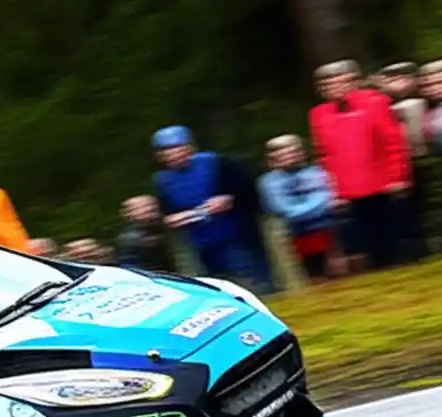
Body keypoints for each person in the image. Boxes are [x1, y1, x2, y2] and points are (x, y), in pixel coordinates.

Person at [309, 59, 412, 270]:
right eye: (325, 84)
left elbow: (393, 142)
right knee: (366, 241)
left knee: (394, 237)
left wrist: (398, 177)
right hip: (350, 189)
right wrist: (334, 190)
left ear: (352, 81)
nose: (331, 87)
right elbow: (325, 155)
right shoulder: (319, 113)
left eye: (337, 81)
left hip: (382, 182)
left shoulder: (375, 101)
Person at [151, 125, 275, 292]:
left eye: (179, 147)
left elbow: (250, 194)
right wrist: (172, 219)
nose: (174, 153)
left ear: (190, 147)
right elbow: (166, 214)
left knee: (257, 284)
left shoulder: (219, 163)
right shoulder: (162, 180)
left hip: (239, 238)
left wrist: (230, 200)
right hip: (202, 245)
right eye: (168, 150)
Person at [258, 135, 343, 283]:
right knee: (316, 280)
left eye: (292, 151)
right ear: (273, 157)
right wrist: (323, 205)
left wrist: (321, 203)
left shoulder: (319, 171)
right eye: (281, 153)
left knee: (343, 272)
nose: (289, 156)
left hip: (332, 230)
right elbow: (285, 210)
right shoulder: (269, 182)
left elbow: (332, 193)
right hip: (299, 237)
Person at [381, 61, 430, 259]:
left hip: (424, 159)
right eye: (392, 80)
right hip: (400, 164)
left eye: (404, 78)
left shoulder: (426, 101)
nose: (399, 84)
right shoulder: (382, 107)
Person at [114, 195, 180, 273]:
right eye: (142, 207)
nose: (149, 209)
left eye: (152, 205)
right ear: (129, 213)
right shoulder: (129, 240)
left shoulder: (159, 230)